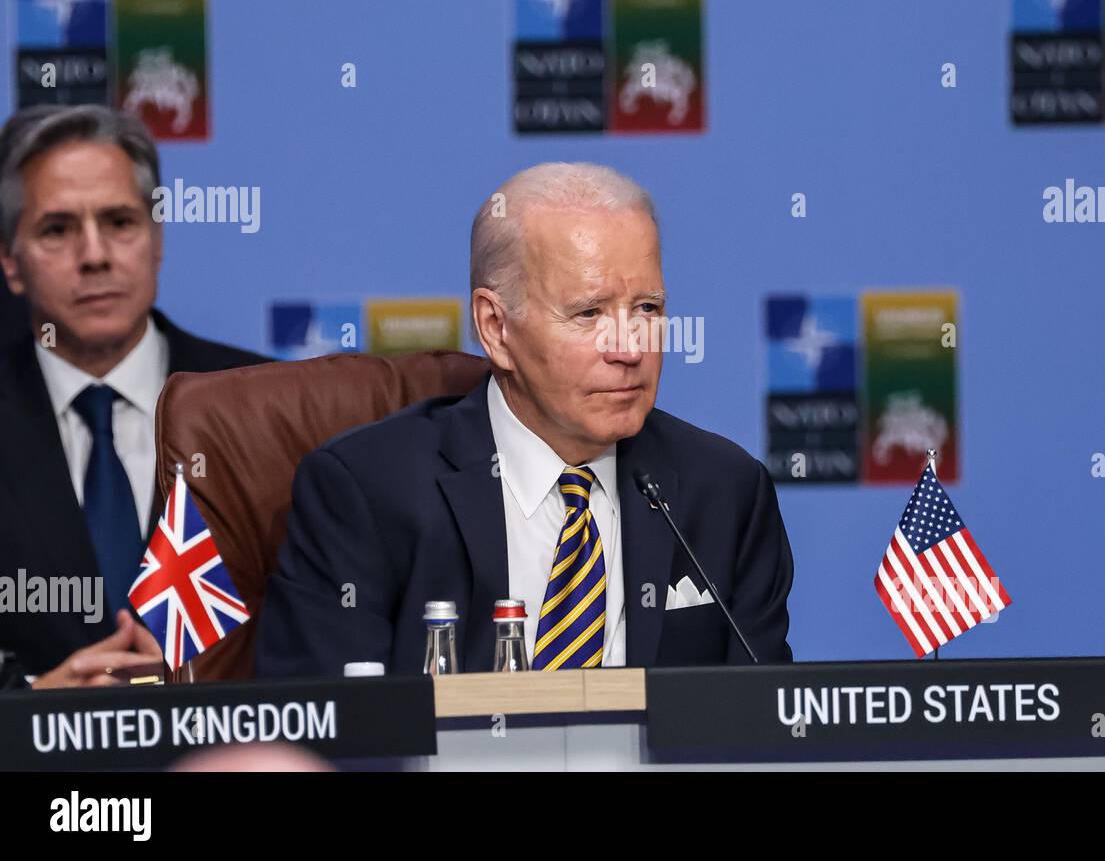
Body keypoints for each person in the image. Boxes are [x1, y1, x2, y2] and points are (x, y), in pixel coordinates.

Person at [257, 162, 794, 676]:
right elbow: (315, 740)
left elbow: (765, 725)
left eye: (647, 309)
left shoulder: (726, 492)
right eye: (589, 313)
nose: (629, 347)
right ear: (496, 328)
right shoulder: (367, 494)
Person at [0, 104, 268, 687]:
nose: (94, 256)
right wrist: (26, 704)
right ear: (9, 263)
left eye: (120, 221)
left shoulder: (263, 408)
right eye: (57, 229)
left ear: (158, 239)